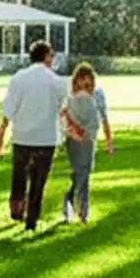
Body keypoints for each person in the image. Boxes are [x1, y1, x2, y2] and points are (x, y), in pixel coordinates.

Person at [0, 40, 68, 232]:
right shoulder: (57, 82)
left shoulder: (19, 78)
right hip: (46, 138)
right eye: (51, 55)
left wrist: (1, 137)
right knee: (38, 182)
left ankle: (17, 208)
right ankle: (32, 220)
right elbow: (63, 110)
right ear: (46, 56)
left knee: (19, 178)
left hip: (22, 137)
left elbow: (8, 109)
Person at [60, 62, 113, 225]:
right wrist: (71, 132)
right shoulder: (69, 96)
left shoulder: (97, 94)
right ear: (75, 80)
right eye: (81, 79)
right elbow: (62, 116)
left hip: (89, 139)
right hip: (73, 140)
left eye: (87, 79)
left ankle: (69, 201)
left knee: (83, 173)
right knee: (81, 173)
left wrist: (109, 141)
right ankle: (83, 213)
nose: (84, 83)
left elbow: (104, 119)